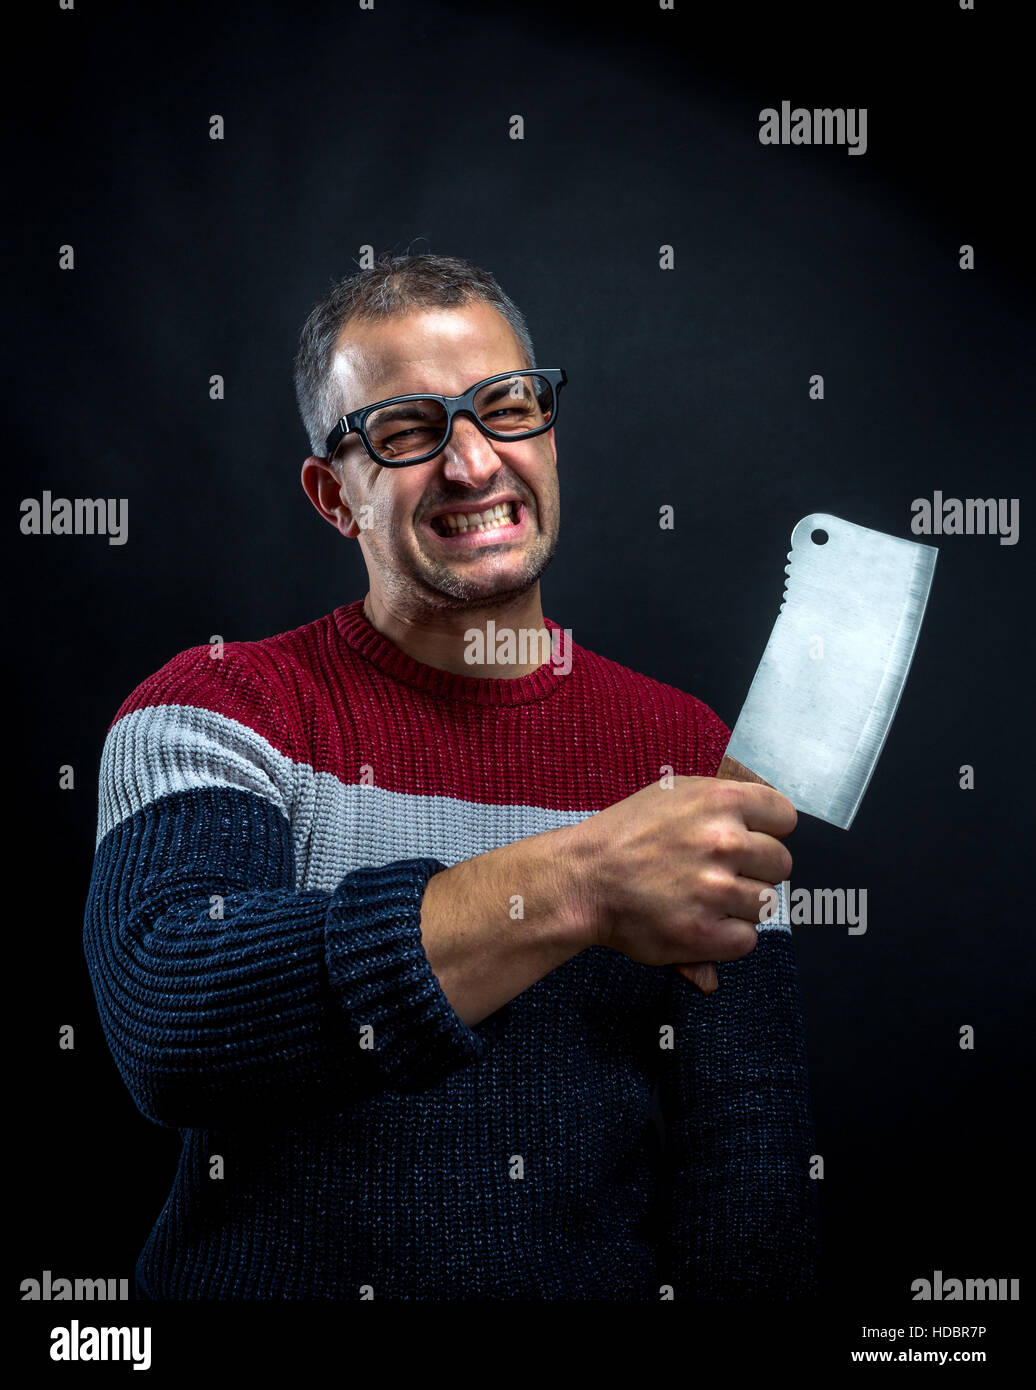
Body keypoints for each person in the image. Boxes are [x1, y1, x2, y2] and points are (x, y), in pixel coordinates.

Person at [83, 252, 819, 1301]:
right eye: (407, 431)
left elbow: (749, 1172)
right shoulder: (211, 707)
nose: (473, 464)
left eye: (505, 407)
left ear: (547, 432)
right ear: (334, 494)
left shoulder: (686, 752)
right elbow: (175, 1019)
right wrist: (584, 885)